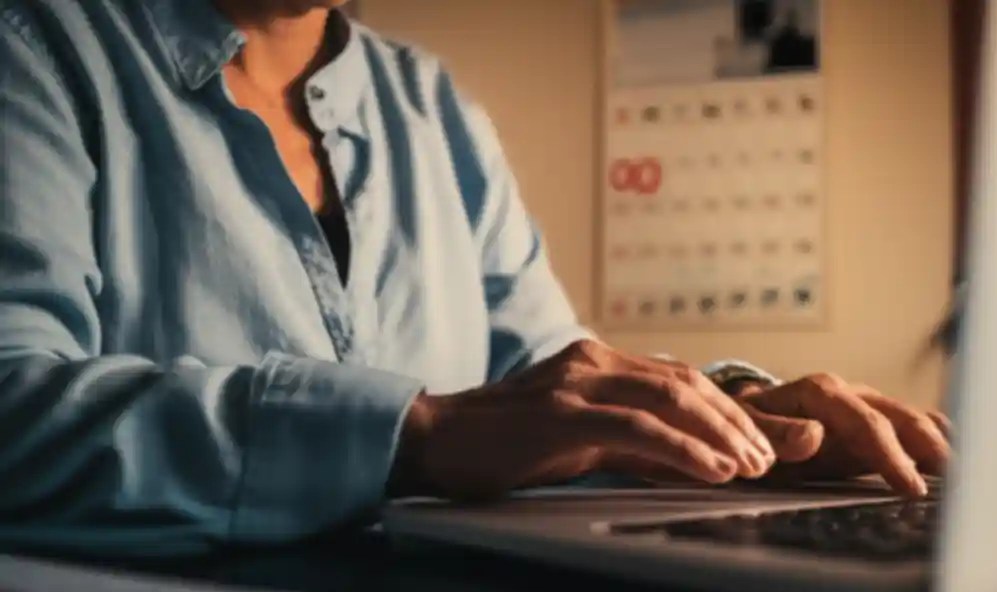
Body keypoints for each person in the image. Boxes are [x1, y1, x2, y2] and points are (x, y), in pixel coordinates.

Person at [0, 0, 949, 556]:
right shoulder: (35, 50)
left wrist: (746, 420)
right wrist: (415, 436)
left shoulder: (429, 104)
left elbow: (553, 390)